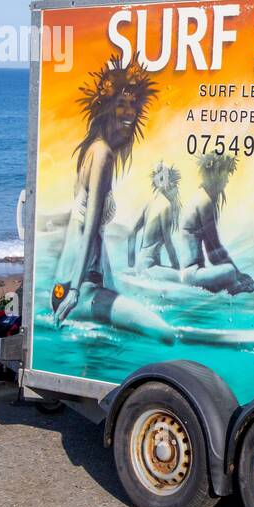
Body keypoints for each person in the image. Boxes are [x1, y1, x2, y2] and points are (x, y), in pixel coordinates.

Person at [52, 58, 173, 340]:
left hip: (82, 283)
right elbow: (90, 227)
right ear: (106, 106)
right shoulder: (102, 154)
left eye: (133, 105)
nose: (129, 111)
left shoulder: (93, 150)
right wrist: (73, 292)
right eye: (121, 103)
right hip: (79, 288)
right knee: (165, 333)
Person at [145, 152, 254, 294]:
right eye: (225, 175)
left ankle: (229, 283)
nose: (227, 181)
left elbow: (212, 250)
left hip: (192, 273)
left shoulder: (199, 197)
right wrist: (238, 275)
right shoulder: (205, 202)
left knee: (229, 271)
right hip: (193, 275)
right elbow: (214, 250)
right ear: (215, 174)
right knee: (229, 271)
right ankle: (234, 286)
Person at [127, 161, 182, 271]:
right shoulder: (166, 205)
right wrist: (177, 267)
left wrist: (131, 263)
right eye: (175, 186)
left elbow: (132, 232)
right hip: (150, 266)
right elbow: (168, 242)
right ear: (169, 184)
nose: (176, 191)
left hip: (140, 264)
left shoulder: (149, 203)